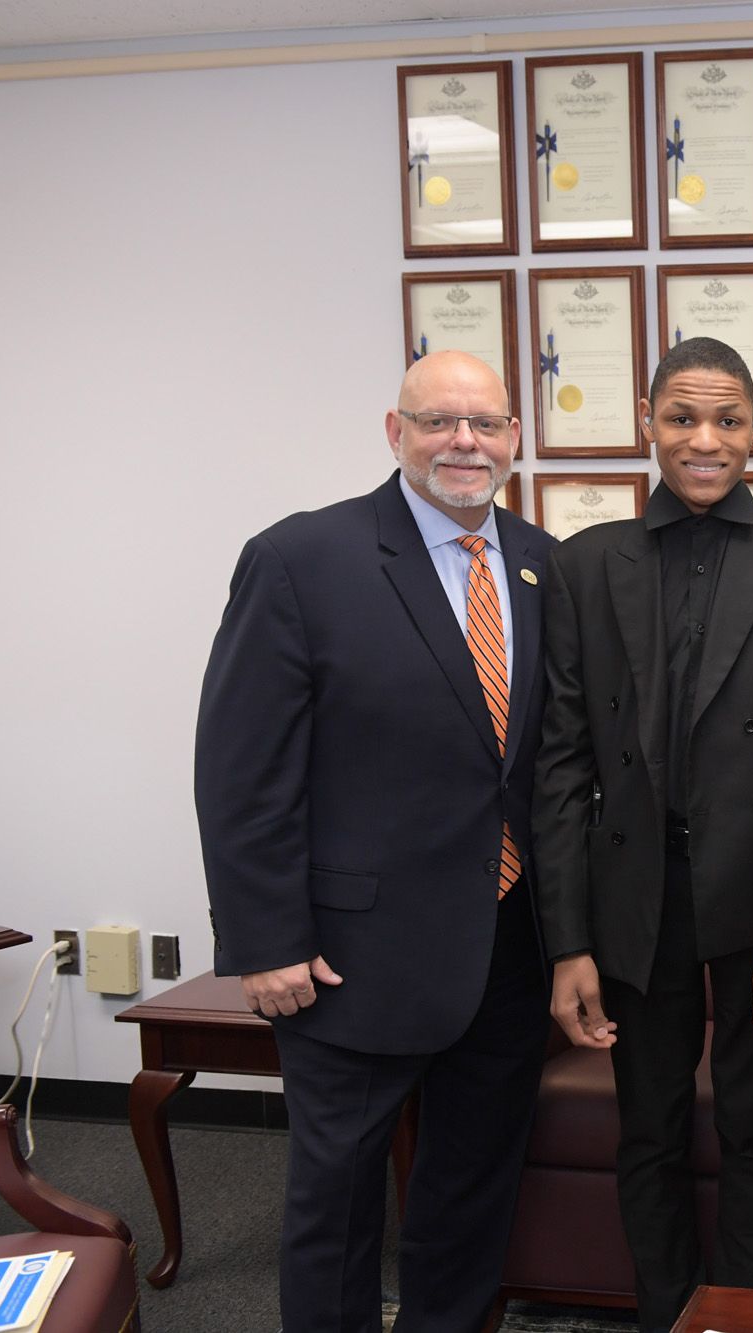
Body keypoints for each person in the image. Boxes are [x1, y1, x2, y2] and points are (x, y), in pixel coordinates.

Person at [194, 350, 552, 1332]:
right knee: (338, 1200)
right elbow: (242, 770)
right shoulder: (302, 559)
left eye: (484, 422)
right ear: (395, 433)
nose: (463, 442)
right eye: (438, 421)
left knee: (470, 1189)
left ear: (515, 438)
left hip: (505, 949)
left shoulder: (538, 561)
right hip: (349, 957)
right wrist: (264, 939)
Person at [532, 336, 753, 1330]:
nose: (703, 440)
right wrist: (568, 943)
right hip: (636, 900)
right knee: (650, 1131)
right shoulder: (587, 562)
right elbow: (560, 765)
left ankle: (742, 1317)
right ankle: (666, 1314)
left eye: (726, 419)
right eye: (682, 417)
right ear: (647, 422)